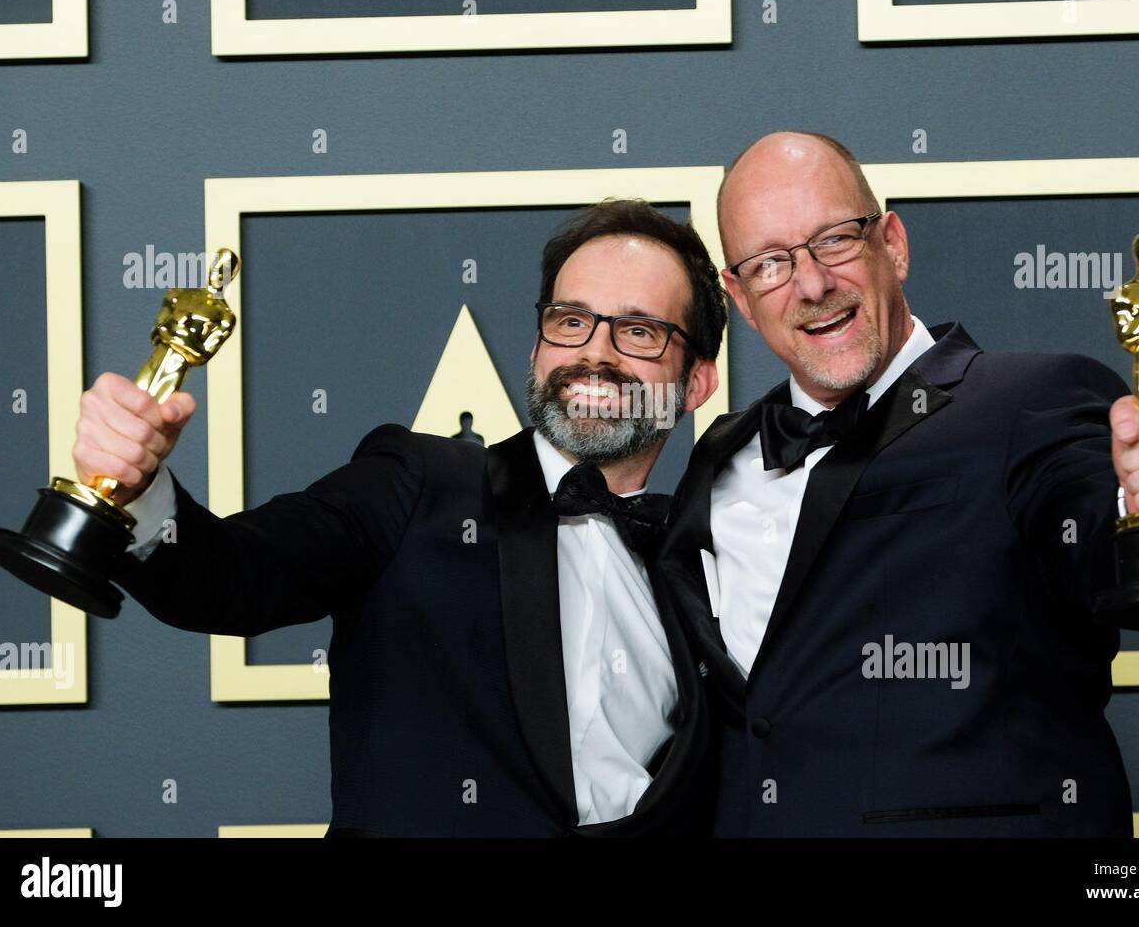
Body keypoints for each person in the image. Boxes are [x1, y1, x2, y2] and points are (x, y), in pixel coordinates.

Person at [78, 199, 728, 836]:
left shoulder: (701, 563)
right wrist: (137, 487)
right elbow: (234, 575)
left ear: (697, 381)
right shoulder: (419, 482)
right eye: (570, 321)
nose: (595, 352)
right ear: (537, 347)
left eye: (639, 330)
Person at [657, 131, 1139, 836]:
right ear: (740, 297)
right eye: (771, 263)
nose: (810, 284)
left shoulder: (1031, 400)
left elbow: (1092, 536)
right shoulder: (719, 455)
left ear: (893, 243)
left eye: (834, 239)